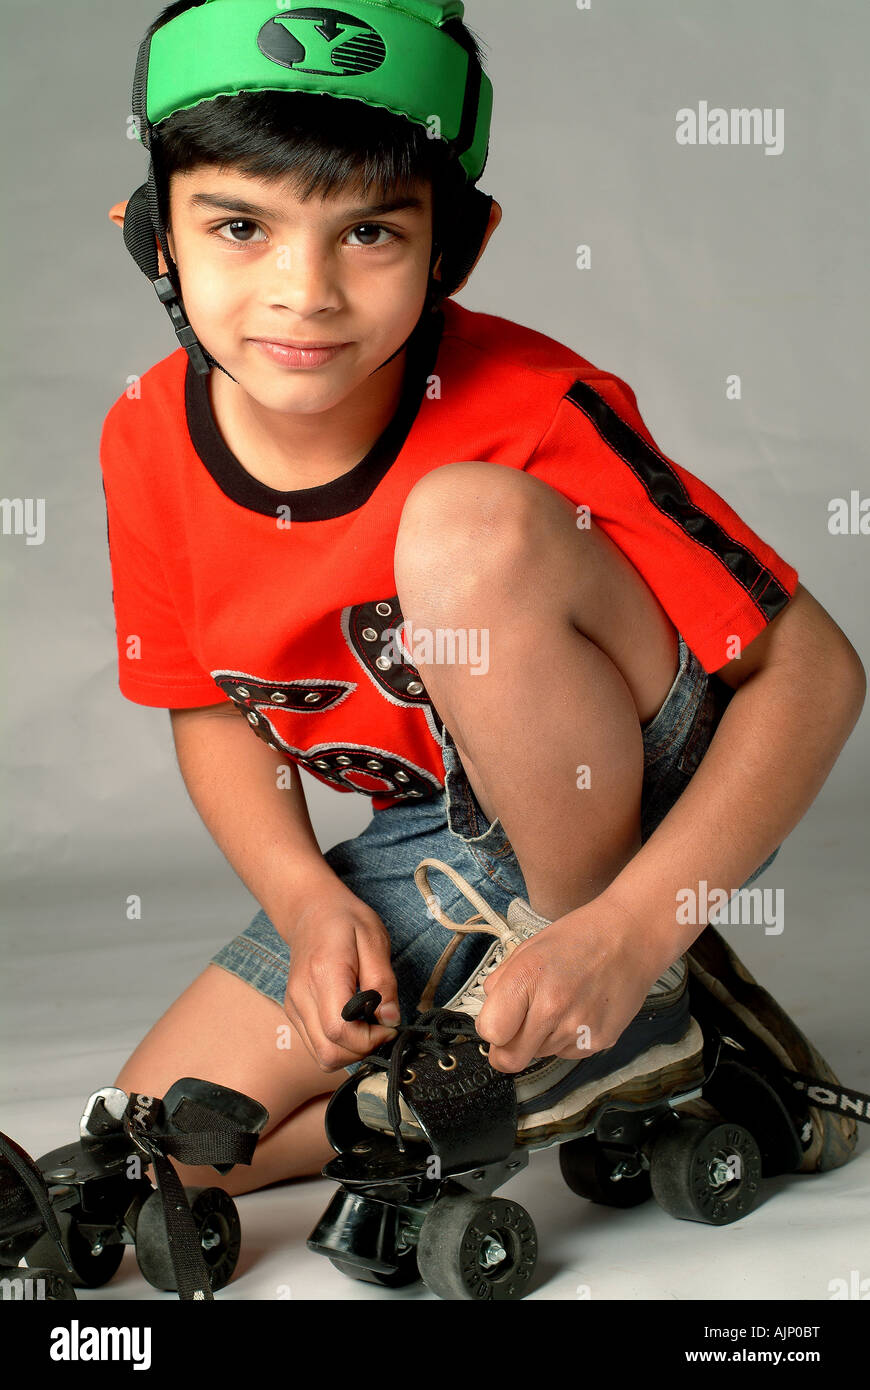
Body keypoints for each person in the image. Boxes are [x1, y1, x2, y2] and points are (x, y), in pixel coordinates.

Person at [101, 0, 865, 1200]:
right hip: (437, 843)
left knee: (465, 525)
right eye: (240, 226)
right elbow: (201, 703)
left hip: (640, 773)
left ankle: (623, 990)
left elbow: (813, 670)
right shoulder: (145, 434)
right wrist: (305, 901)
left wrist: (626, 930)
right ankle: (664, 1055)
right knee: (155, 1140)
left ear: (455, 246)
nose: (302, 292)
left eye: (369, 235)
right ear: (154, 237)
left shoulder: (535, 404)